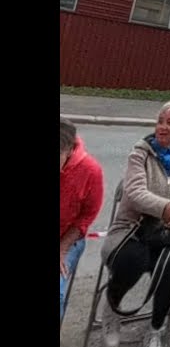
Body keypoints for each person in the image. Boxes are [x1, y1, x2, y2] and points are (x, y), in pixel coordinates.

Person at [99, 100, 170, 347]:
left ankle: (155, 330)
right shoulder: (140, 153)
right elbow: (134, 192)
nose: (163, 127)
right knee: (133, 260)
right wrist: (165, 207)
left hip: (166, 233)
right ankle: (112, 306)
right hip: (131, 229)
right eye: (160, 121)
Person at [61, 119, 104, 325]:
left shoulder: (90, 171)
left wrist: (62, 248)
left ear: (69, 150)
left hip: (67, 238)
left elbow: (88, 215)